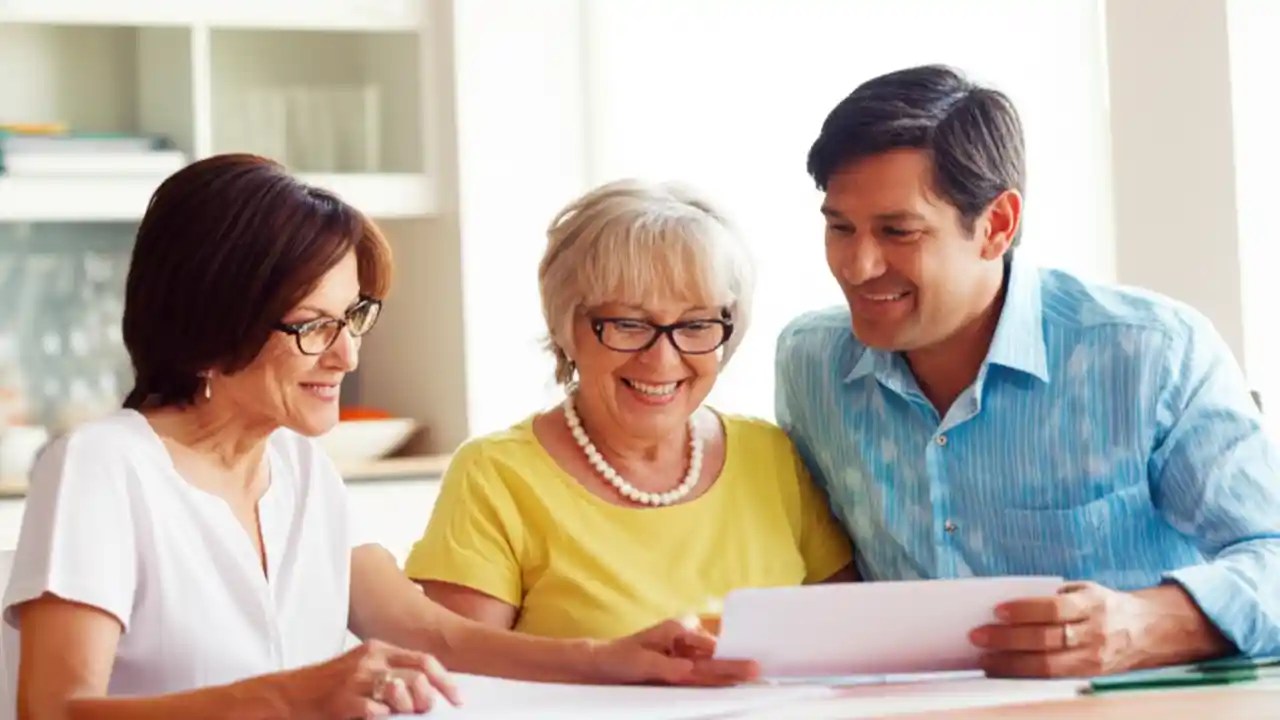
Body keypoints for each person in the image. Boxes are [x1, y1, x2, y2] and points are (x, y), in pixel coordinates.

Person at [1, 155, 756, 720]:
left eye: (354, 317)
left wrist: (612, 659)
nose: (347, 356)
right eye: (313, 326)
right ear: (210, 321)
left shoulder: (299, 468)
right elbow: (55, 709)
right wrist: (294, 697)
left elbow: (433, 634)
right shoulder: (104, 465)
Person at [776, 65, 1280, 678]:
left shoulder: (1152, 353)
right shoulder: (809, 363)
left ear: (997, 225)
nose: (857, 266)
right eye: (839, 227)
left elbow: (1271, 554)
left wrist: (1147, 625)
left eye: (898, 231)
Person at [404, 179, 855, 641]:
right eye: (628, 323)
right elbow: (457, 671)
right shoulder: (495, 475)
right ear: (566, 325)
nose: (662, 360)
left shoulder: (771, 455)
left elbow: (850, 640)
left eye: (696, 324)